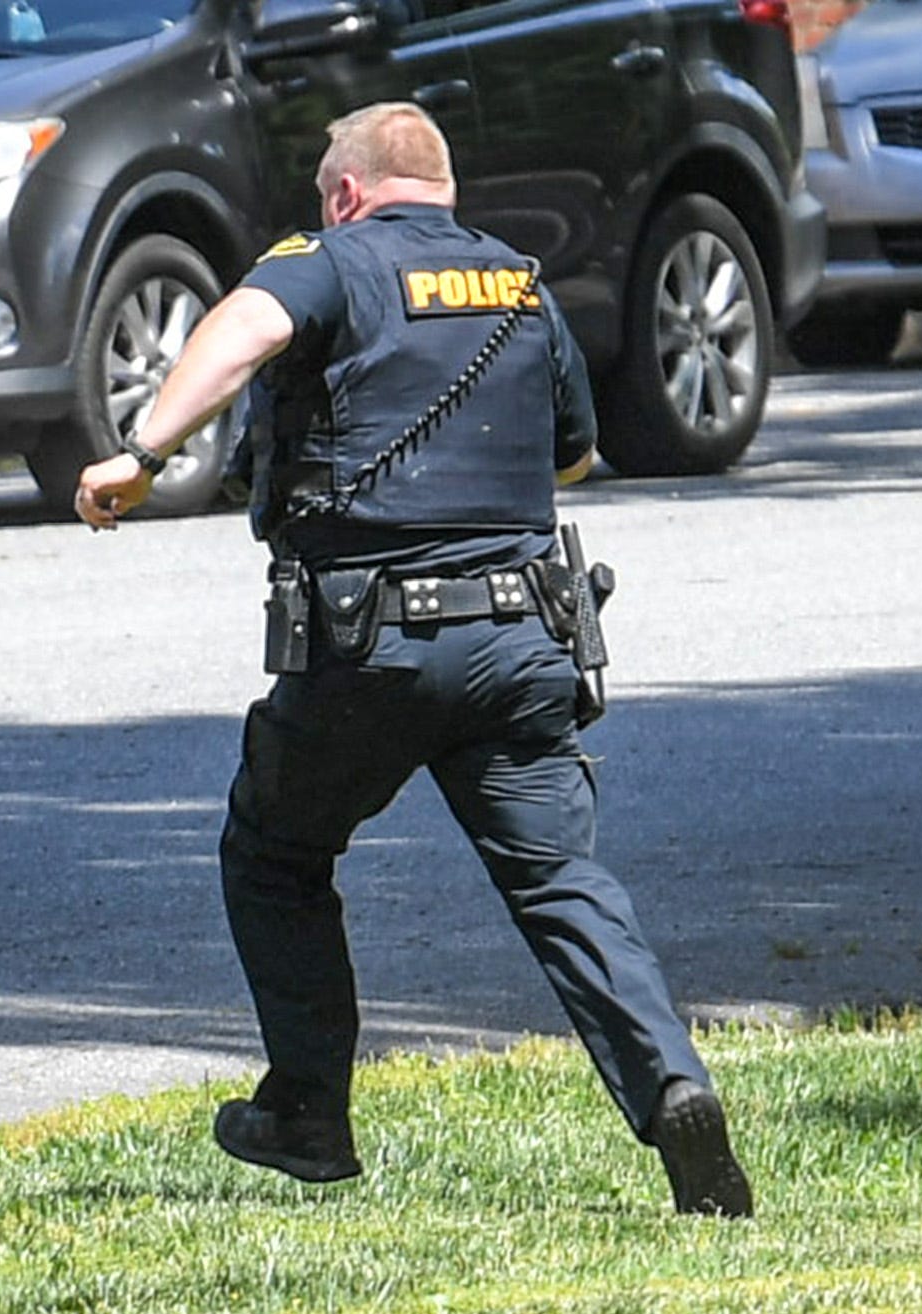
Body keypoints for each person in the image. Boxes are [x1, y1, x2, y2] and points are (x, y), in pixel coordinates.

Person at [74, 102, 751, 1217]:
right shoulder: (517, 283)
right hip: (521, 643)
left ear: (346, 193)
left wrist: (142, 453)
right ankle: (675, 1087)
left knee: (275, 852)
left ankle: (307, 1115)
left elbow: (241, 329)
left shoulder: (325, 262)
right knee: (561, 882)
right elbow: (573, 458)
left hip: (371, 648)